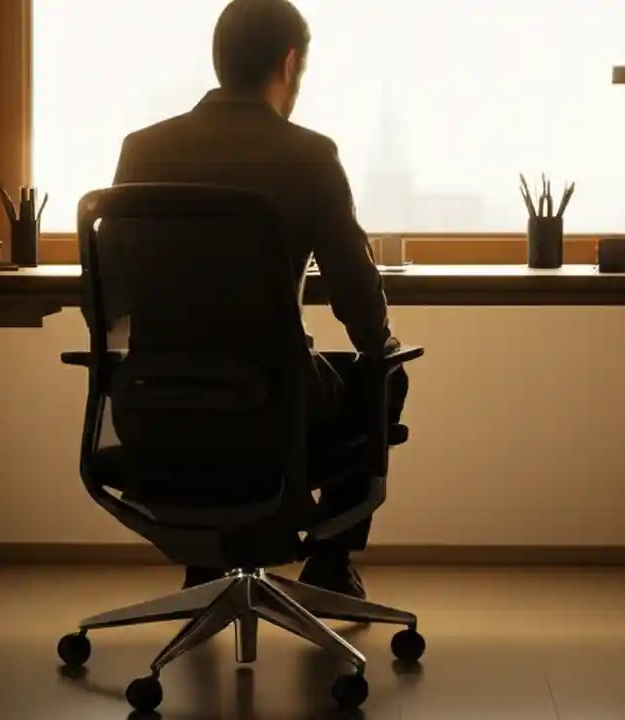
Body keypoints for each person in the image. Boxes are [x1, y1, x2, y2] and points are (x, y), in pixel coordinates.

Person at [107, 0, 407, 599]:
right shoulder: (309, 154)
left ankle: (204, 562)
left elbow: (109, 294)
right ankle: (329, 560)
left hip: (154, 408)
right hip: (271, 414)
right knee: (383, 374)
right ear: (289, 63)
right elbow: (354, 290)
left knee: (239, 395)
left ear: (219, 59)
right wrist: (380, 345)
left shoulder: (143, 148)